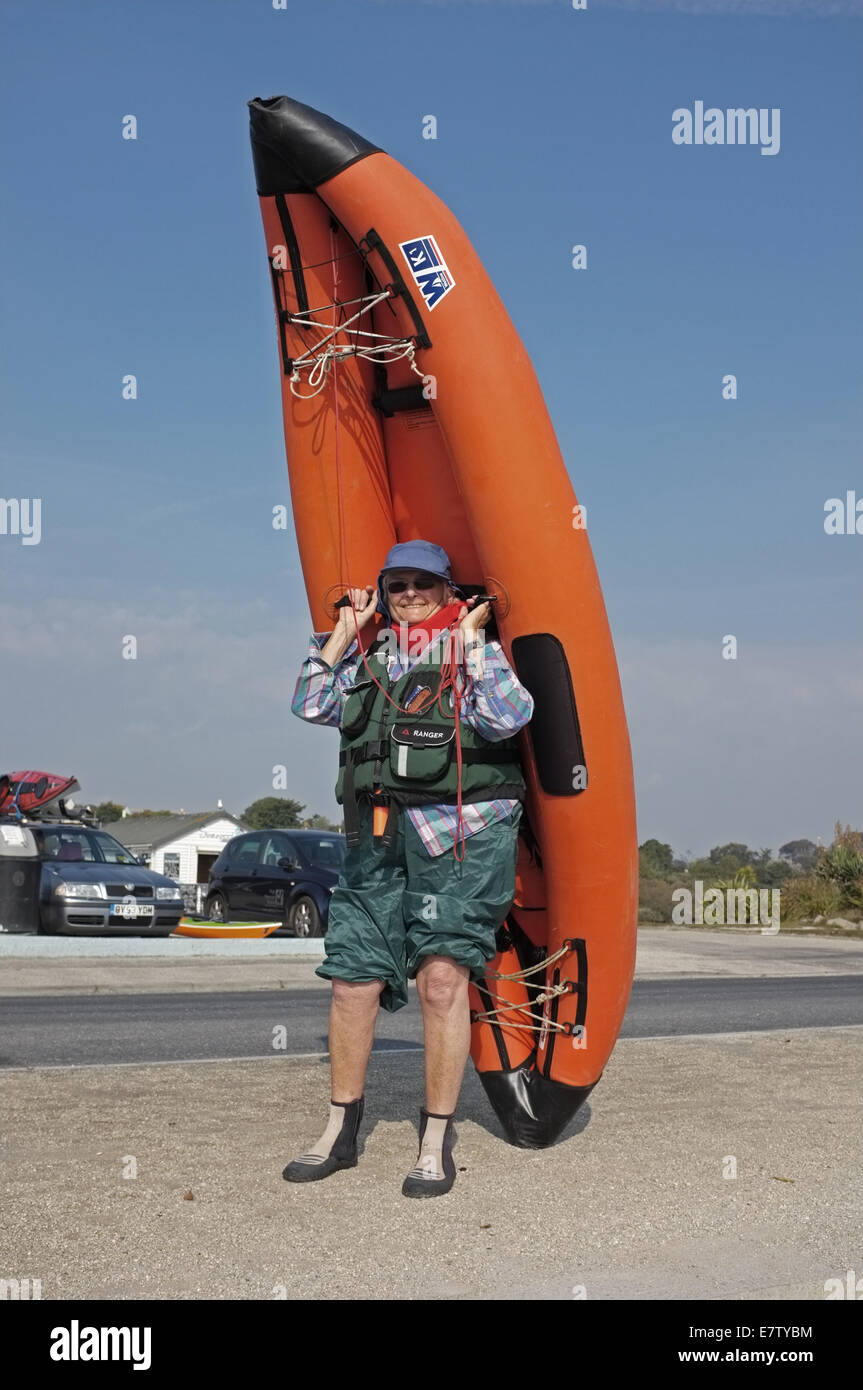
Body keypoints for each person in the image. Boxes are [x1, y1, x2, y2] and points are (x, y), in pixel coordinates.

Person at [283, 540, 534, 1197]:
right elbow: (310, 703)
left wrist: (473, 643)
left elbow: (509, 717)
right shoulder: (370, 656)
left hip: (460, 837)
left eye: (425, 582)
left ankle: (433, 1142)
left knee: (442, 982)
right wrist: (342, 631)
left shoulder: (473, 648)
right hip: (378, 838)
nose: (411, 593)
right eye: (397, 584)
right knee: (350, 982)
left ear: (450, 590)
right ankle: (339, 1131)